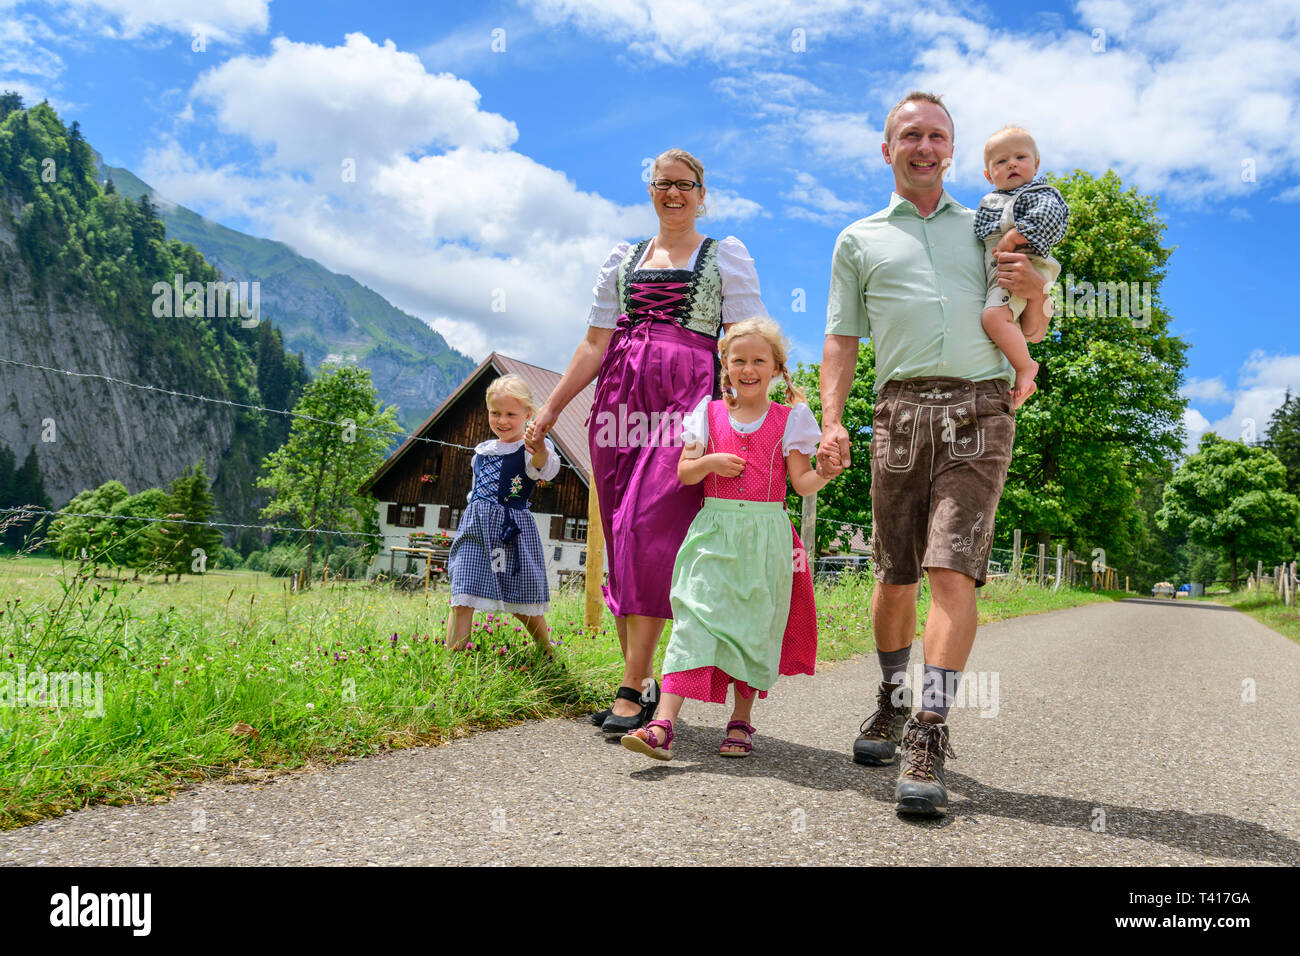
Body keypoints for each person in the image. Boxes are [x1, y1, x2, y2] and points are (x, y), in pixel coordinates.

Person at [819, 92, 1052, 817]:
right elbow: (841, 340)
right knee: (894, 575)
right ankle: (891, 700)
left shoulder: (994, 223)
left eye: (938, 136)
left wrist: (1038, 290)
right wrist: (832, 421)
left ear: (953, 149)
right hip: (896, 410)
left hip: (980, 408)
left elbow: (1034, 330)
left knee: (953, 567)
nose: (925, 146)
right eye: (910, 136)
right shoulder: (857, 239)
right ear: (887, 150)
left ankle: (929, 730)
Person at [527, 148, 767, 736]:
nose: (674, 194)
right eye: (663, 185)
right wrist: (550, 409)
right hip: (618, 403)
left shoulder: (724, 257)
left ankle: (631, 692)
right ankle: (644, 678)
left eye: (685, 185)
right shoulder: (625, 258)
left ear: (702, 193)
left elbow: (746, 335)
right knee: (622, 539)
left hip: (687, 400)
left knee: (648, 529)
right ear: (651, 190)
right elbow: (592, 344)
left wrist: (749, 402)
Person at [621, 318, 831, 761]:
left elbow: (801, 482)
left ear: (776, 368)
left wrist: (825, 473)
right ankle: (662, 723)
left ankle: (741, 719)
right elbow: (684, 471)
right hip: (713, 529)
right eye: (739, 360)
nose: (748, 368)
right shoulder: (707, 413)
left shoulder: (790, 418)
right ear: (726, 364)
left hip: (765, 534)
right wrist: (711, 461)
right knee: (694, 618)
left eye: (759, 360)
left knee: (752, 627)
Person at [446, 374, 560, 654]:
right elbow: (476, 495)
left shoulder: (530, 449)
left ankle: (547, 652)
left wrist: (540, 446)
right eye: (495, 413)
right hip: (475, 530)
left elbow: (545, 468)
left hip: (509, 532)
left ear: (528, 415)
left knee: (521, 599)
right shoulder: (481, 453)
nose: (502, 420)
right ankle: (452, 664)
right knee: (462, 593)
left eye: (511, 414)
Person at [975, 126, 1069, 405]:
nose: (1012, 163)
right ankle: (1019, 374)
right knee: (1003, 318)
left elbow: (1049, 217)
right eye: (1001, 161)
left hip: (1026, 263)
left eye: (1020, 157)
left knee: (994, 317)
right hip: (1003, 274)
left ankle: (1025, 366)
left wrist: (1013, 237)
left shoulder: (1038, 193)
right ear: (988, 174)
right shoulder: (991, 203)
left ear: (1036, 164)